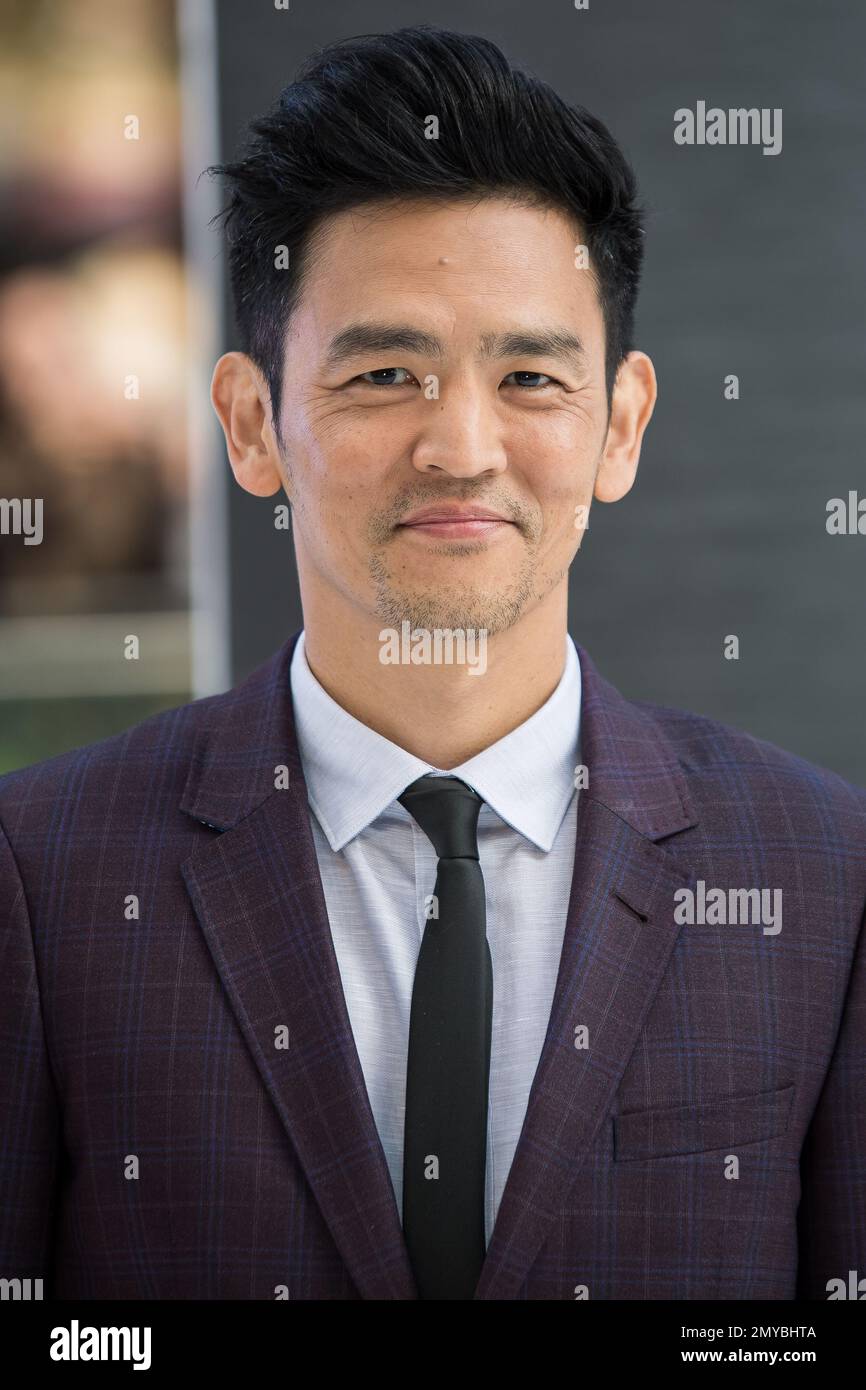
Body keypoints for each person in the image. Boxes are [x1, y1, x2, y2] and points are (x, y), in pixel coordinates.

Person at [0, 25, 863, 1302]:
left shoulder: (823, 877)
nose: (460, 447)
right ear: (251, 422)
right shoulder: (42, 871)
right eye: (384, 372)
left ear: (618, 426)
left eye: (527, 374)